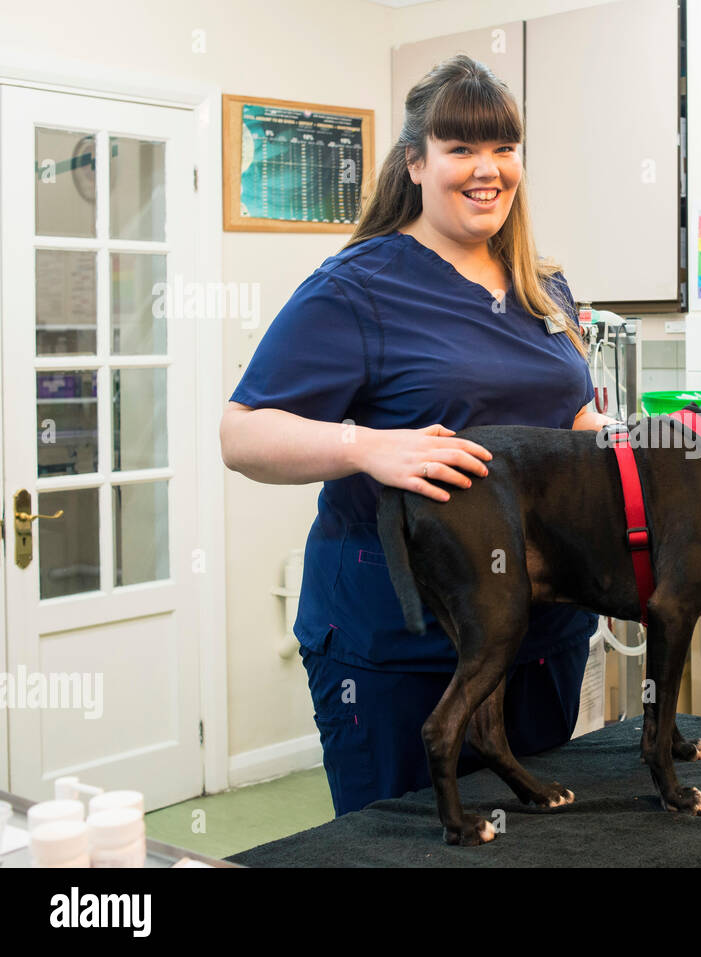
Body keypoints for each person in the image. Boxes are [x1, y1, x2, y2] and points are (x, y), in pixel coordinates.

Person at [220, 55, 615, 817]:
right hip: (406, 645)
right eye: (460, 148)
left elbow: (569, 420)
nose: (487, 170)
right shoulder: (357, 288)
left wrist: (630, 454)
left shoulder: (543, 284)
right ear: (415, 162)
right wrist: (368, 446)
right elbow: (242, 433)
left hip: (539, 633)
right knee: (401, 843)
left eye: (503, 148)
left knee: (544, 842)